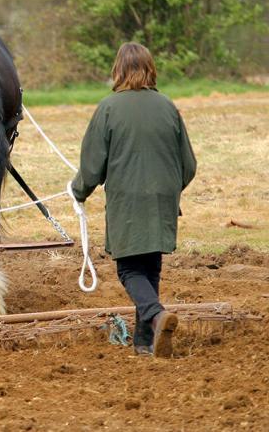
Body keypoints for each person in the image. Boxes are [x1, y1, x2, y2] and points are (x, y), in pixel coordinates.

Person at [71, 42, 196, 358]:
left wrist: (78, 191)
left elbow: (91, 168)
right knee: (150, 267)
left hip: (128, 201)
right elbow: (189, 165)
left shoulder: (109, 108)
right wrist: (170, 190)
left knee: (129, 269)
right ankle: (143, 344)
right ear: (151, 69)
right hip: (162, 200)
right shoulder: (168, 106)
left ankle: (155, 316)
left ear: (118, 71)